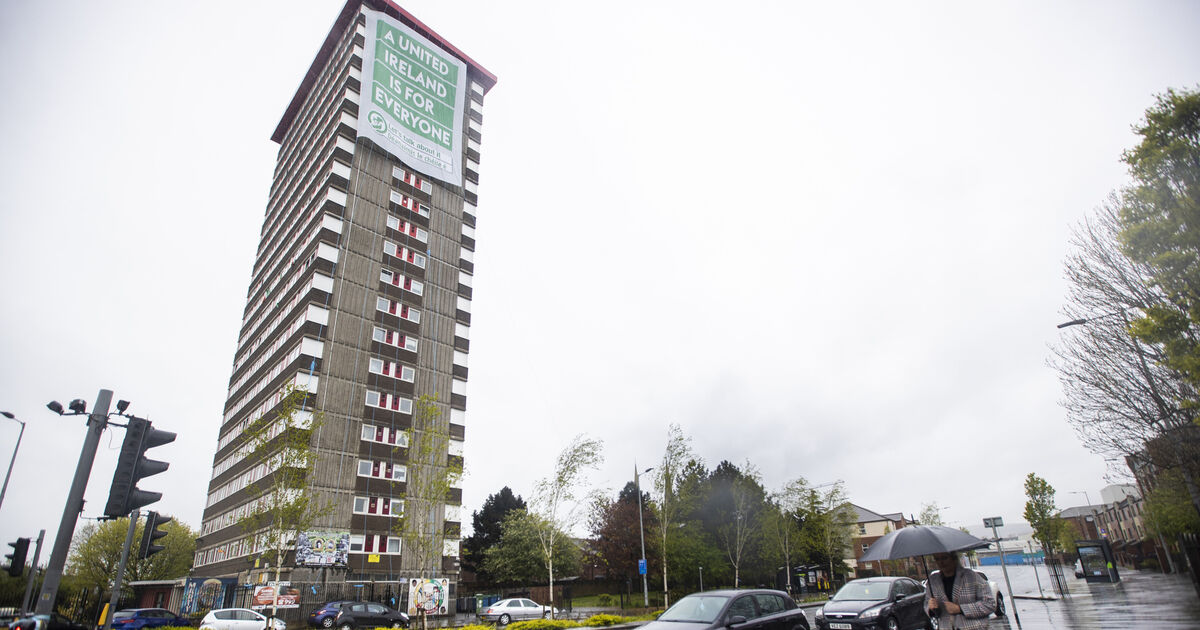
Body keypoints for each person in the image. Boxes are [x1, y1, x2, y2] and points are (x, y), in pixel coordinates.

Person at [924, 551, 995, 630]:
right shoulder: (933, 581)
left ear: (954, 558)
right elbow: (927, 605)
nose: (941, 562)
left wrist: (960, 609)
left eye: (944, 558)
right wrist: (931, 608)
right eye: (937, 559)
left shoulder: (972, 577)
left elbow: (989, 604)